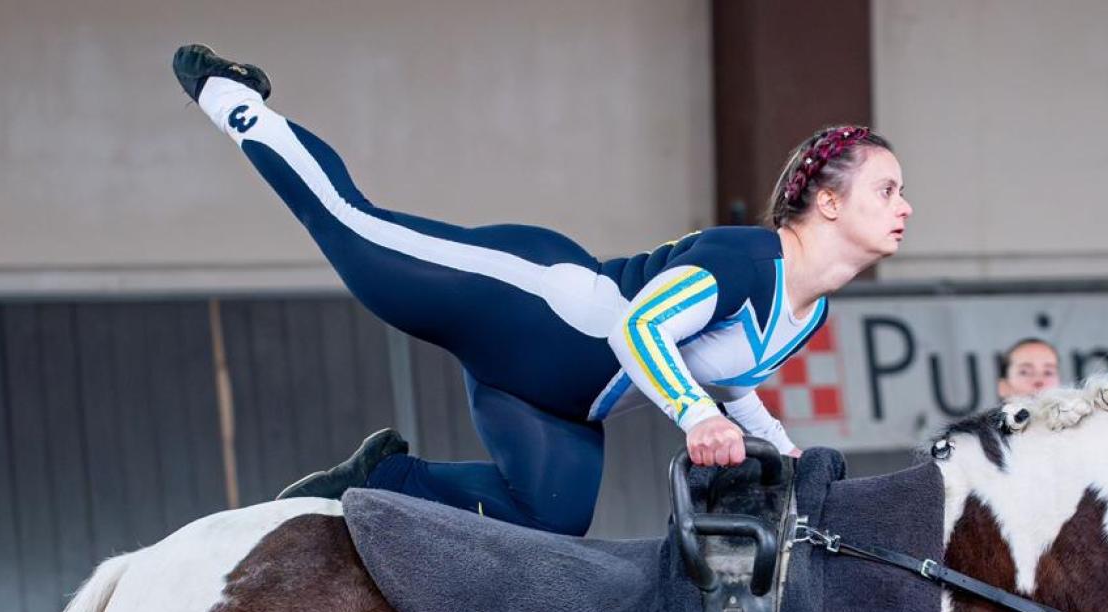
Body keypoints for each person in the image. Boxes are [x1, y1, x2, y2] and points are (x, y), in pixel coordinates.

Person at [172, 45, 912, 535]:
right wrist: (692, 417)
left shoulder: (806, 311)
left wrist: (789, 454)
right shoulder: (749, 260)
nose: (905, 206)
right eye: (888, 188)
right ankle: (231, 97)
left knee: (552, 514)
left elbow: (730, 380)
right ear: (829, 202)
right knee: (353, 227)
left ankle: (382, 475)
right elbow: (640, 331)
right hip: (524, 305)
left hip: (555, 404)